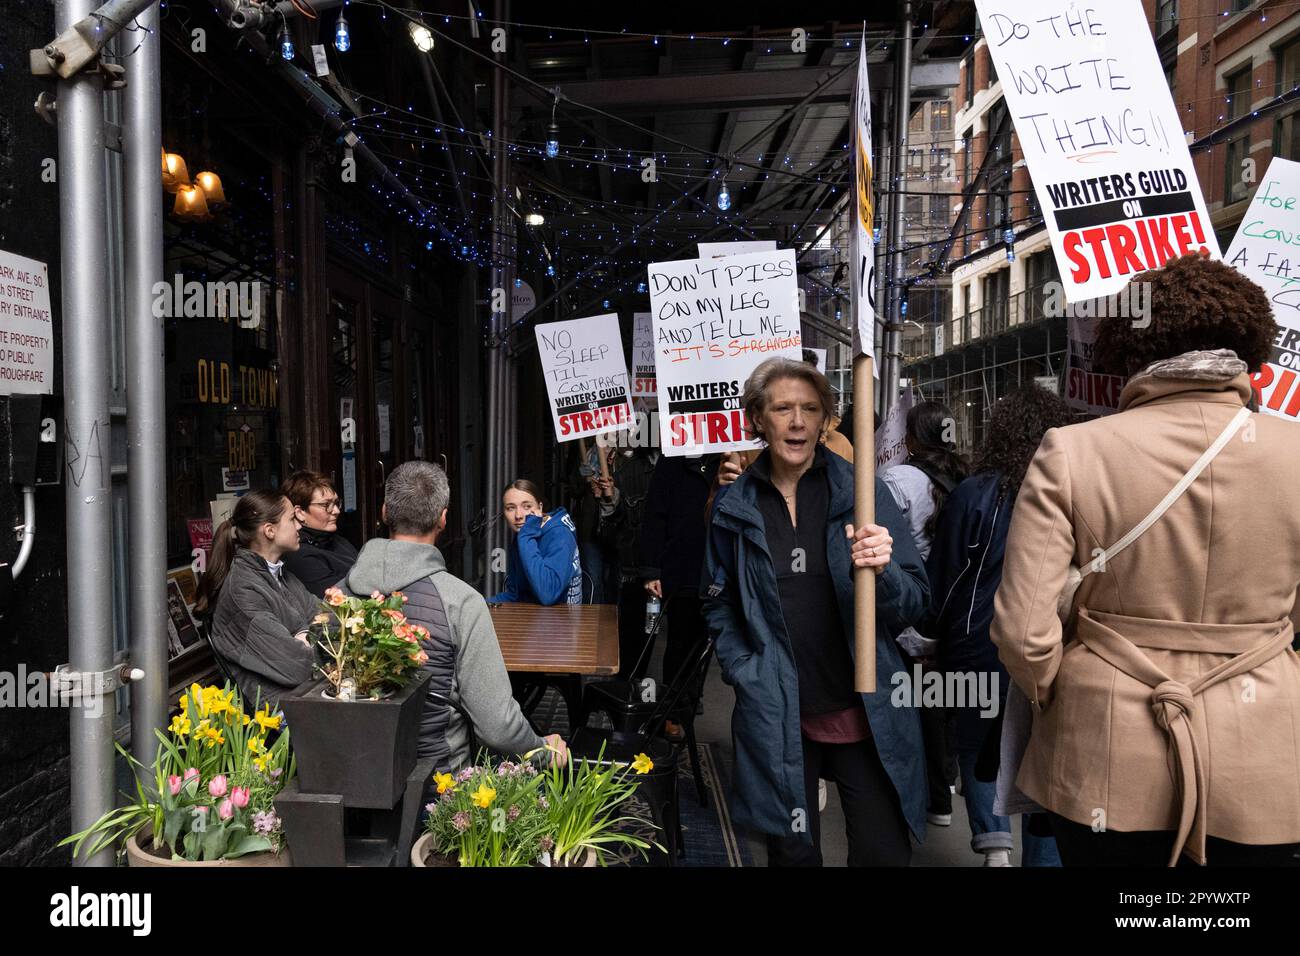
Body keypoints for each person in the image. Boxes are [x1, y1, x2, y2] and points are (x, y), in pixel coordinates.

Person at [992, 253, 1300, 867]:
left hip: (1104, 753)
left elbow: (1024, 633)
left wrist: (1069, 691)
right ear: (1248, 345)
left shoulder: (1073, 450)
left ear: (1129, 351)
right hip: (1266, 753)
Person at [702, 357, 931, 866]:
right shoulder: (733, 506)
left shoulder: (864, 493)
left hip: (866, 712)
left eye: (811, 408)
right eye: (783, 408)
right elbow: (715, 602)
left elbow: (918, 600)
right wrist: (745, 668)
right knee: (793, 857)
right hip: (779, 714)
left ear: (827, 418)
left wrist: (885, 568)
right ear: (759, 419)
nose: (798, 421)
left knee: (882, 854)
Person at [341, 461, 566, 772]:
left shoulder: (338, 597)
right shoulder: (461, 602)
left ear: (383, 512)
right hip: (437, 790)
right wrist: (543, 750)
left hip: (349, 775)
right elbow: (498, 727)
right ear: (443, 519)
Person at [927, 386, 1072, 866]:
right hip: (1049, 646)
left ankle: (994, 847)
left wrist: (929, 633)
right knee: (1043, 757)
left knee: (974, 741)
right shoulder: (1073, 492)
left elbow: (947, 576)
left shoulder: (976, 492)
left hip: (977, 643)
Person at [880, 401, 967, 831]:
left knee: (910, 705)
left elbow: (881, 538)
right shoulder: (969, 479)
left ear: (910, 438)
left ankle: (925, 794)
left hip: (909, 605)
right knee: (947, 699)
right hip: (956, 608)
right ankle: (946, 787)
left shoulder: (897, 479)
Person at [193, 489, 318, 710]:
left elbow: (327, 617)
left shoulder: (280, 575)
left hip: (306, 696)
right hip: (280, 710)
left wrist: (303, 635)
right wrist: (307, 634)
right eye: (291, 519)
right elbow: (298, 666)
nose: (300, 525)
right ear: (269, 530)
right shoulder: (242, 591)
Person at [489, 479, 583, 606]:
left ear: (540, 507)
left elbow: (548, 595)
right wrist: (480, 604)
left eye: (527, 506)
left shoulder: (559, 534)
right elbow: (515, 594)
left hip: (563, 617)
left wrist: (526, 537)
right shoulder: (525, 533)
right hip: (533, 615)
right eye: (510, 508)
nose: (518, 515)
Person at [280, 470, 359, 598]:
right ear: (300, 513)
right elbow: (338, 601)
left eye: (336, 503)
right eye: (326, 505)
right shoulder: (299, 554)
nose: (336, 511)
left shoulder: (336, 540)